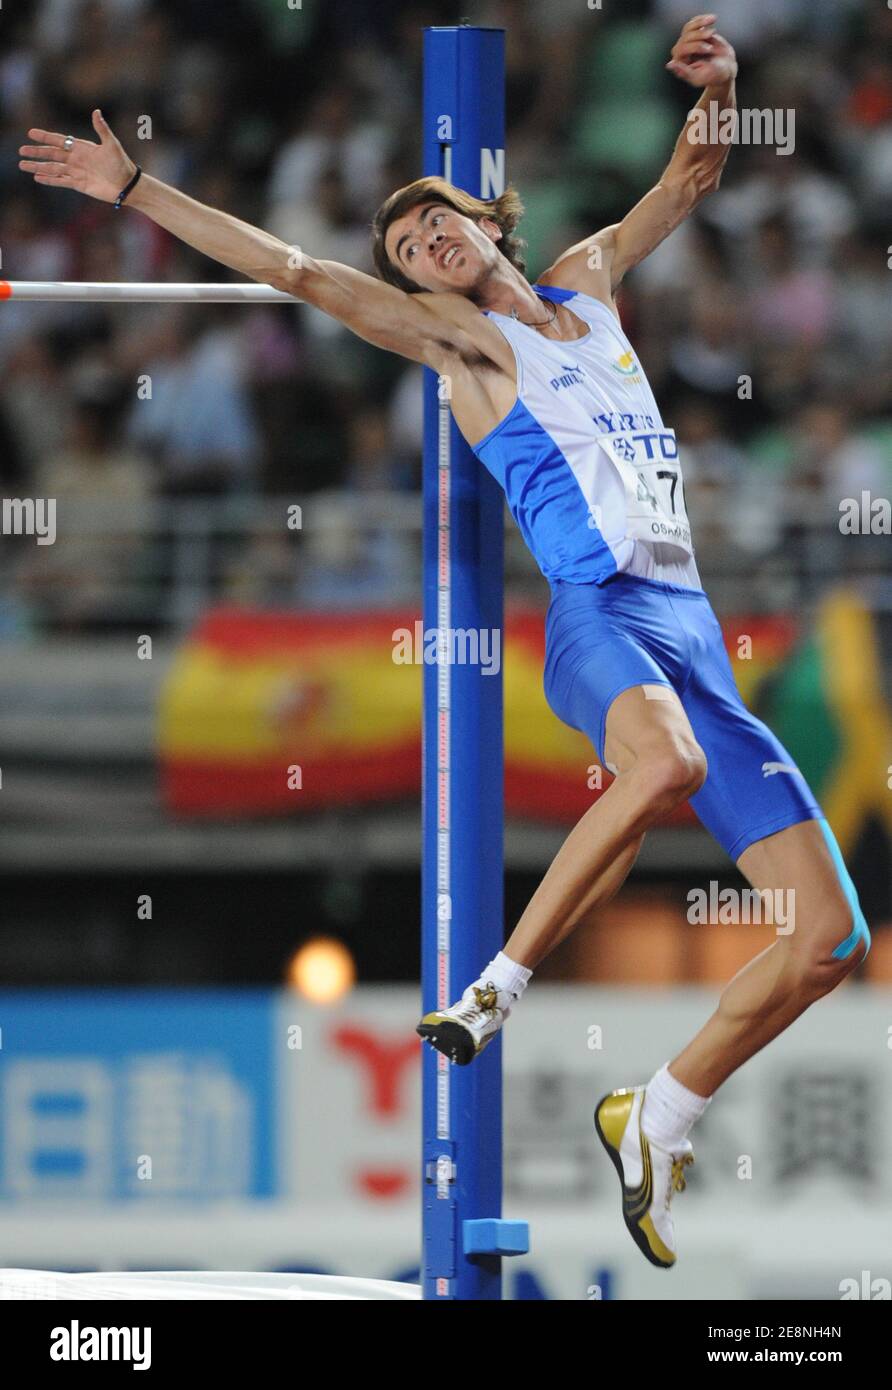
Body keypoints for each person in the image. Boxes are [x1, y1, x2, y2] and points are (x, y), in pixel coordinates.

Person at [19, 13, 871, 1270]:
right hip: (598, 622)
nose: (423, 243)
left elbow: (693, 174)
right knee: (668, 768)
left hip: (691, 625)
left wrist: (725, 89)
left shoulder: (588, 278)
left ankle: (661, 1109)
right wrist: (142, 188)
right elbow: (300, 274)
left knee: (830, 939)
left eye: (435, 222)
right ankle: (499, 985)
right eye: (408, 248)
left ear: (487, 219)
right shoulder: (466, 344)